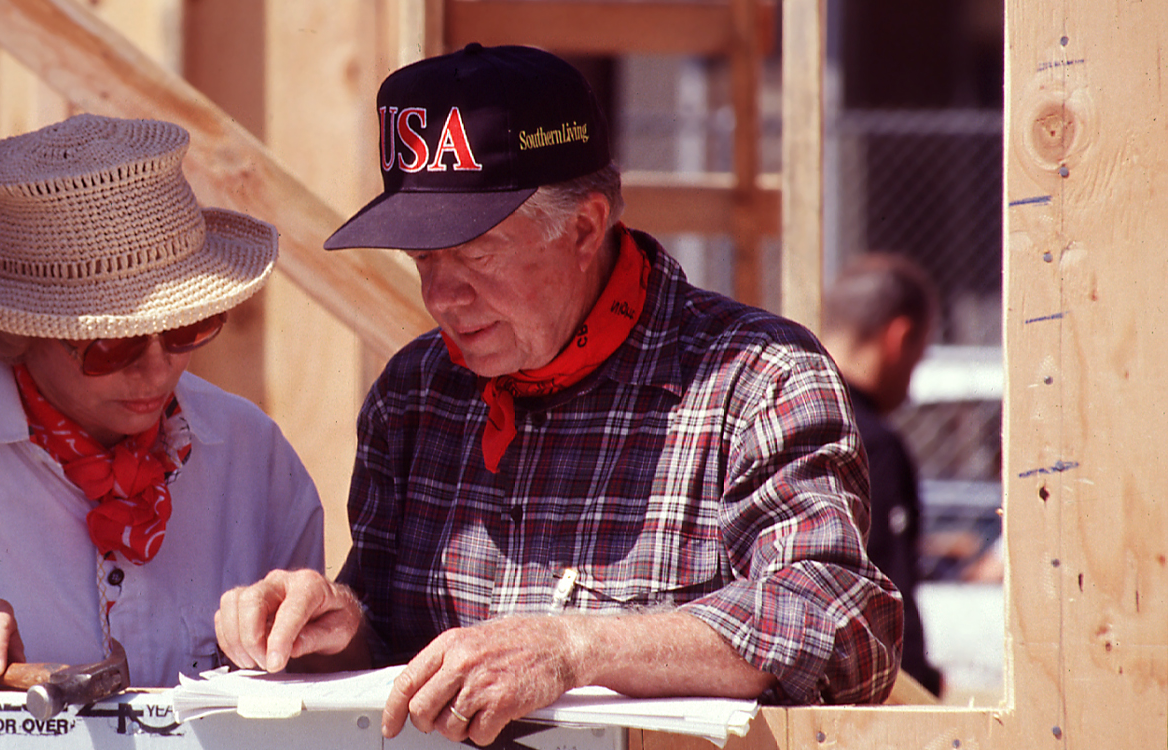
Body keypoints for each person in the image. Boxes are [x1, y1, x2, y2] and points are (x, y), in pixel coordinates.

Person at [216, 43, 902, 745]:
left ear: (583, 227)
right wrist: (331, 633)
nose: (441, 296)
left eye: (475, 254)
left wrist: (575, 649)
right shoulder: (415, 393)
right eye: (422, 258)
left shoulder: (759, 379)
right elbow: (389, 649)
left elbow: (841, 630)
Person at [0, 114, 324, 692]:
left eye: (186, 329)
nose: (158, 369)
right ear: (22, 334)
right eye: (112, 346)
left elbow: (323, 688)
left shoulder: (252, 452)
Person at [821, 253, 945, 697]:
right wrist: (924, 693)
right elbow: (888, 599)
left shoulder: (777, 417)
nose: (911, 381)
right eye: (918, 355)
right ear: (899, 336)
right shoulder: (871, 442)